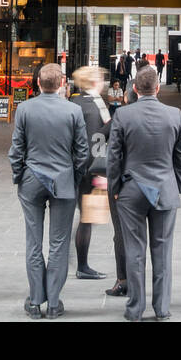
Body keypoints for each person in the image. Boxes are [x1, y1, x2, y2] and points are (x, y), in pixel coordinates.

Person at [105, 66, 181, 322]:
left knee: (135, 250)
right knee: (162, 251)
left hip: (132, 189)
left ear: (134, 89)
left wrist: (115, 188)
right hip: (164, 188)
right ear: (157, 88)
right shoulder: (174, 115)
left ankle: (135, 309)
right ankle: (162, 309)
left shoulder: (123, 116)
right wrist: (178, 185)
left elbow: (114, 157)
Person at [8, 63, 88, 319]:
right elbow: (82, 152)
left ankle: (35, 301)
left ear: (38, 83)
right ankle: (53, 302)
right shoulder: (73, 110)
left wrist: (19, 175)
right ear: (62, 83)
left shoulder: (25, 109)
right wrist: (73, 178)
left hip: (32, 181)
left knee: (33, 243)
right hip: (62, 181)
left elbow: (17, 149)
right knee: (59, 243)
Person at [69, 65, 112, 283]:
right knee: (88, 217)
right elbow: (98, 140)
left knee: (85, 215)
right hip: (91, 169)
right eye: (101, 79)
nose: (104, 82)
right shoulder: (97, 106)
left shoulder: (74, 102)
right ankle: (82, 265)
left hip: (73, 168)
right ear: (94, 82)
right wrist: (100, 174)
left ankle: (77, 259)